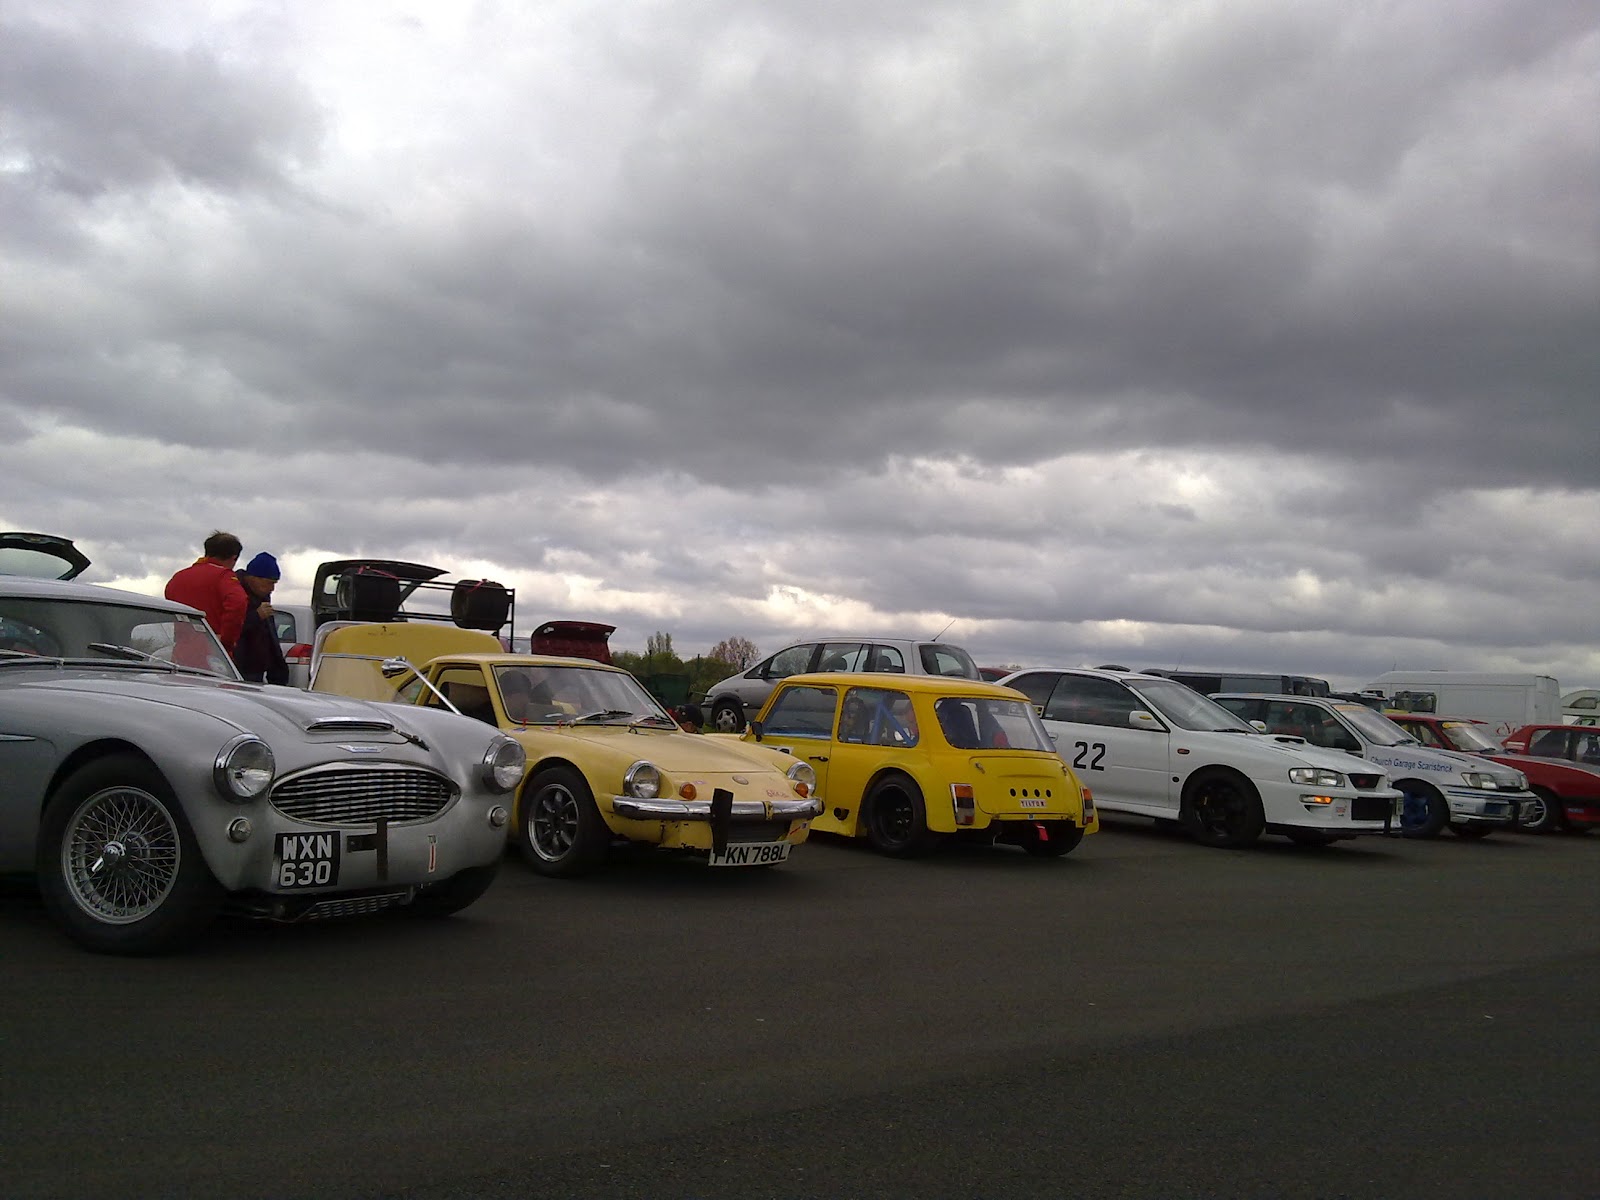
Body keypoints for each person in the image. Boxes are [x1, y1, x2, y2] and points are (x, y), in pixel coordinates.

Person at [164, 530, 248, 655]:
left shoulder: (178, 577)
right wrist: (226, 641)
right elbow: (238, 602)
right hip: (212, 652)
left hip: (181, 651)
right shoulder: (224, 576)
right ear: (233, 558)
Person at [232, 552, 289, 685]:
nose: (272, 589)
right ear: (253, 578)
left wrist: (278, 669)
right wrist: (256, 616)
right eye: (269, 583)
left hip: (256, 669)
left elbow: (270, 635)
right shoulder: (234, 593)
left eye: (274, 583)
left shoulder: (262, 595)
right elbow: (228, 627)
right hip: (237, 668)